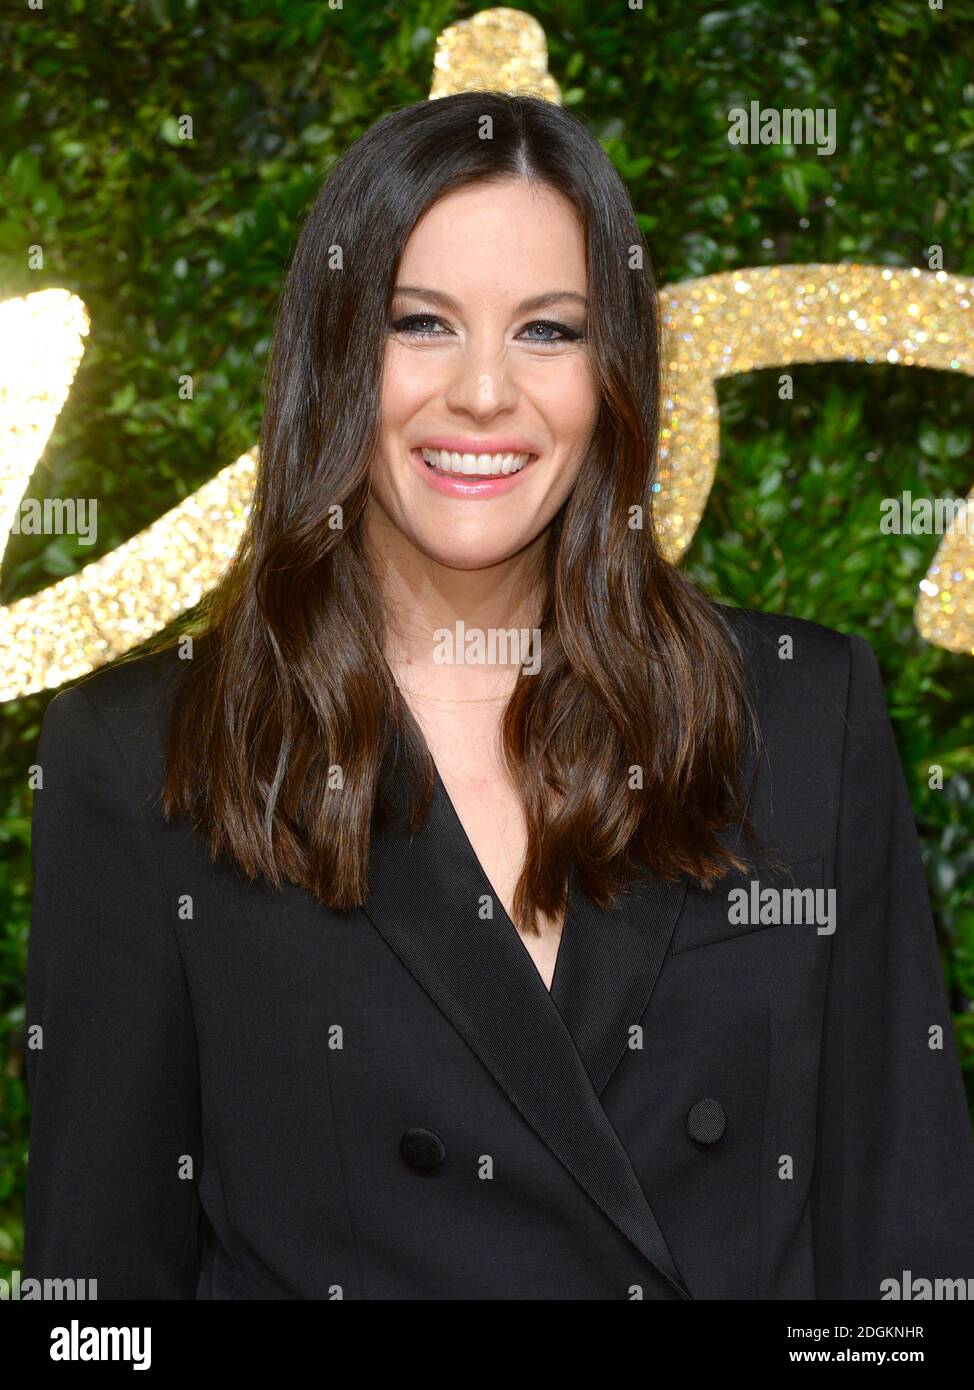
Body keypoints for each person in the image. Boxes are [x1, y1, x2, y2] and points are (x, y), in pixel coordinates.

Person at [23, 91, 974, 1301]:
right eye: (421, 323)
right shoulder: (143, 753)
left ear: (614, 376)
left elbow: (905, 1250)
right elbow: (97, 1308)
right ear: (335, 361)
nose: (483, 392)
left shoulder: (797, 715)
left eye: (547, 332)